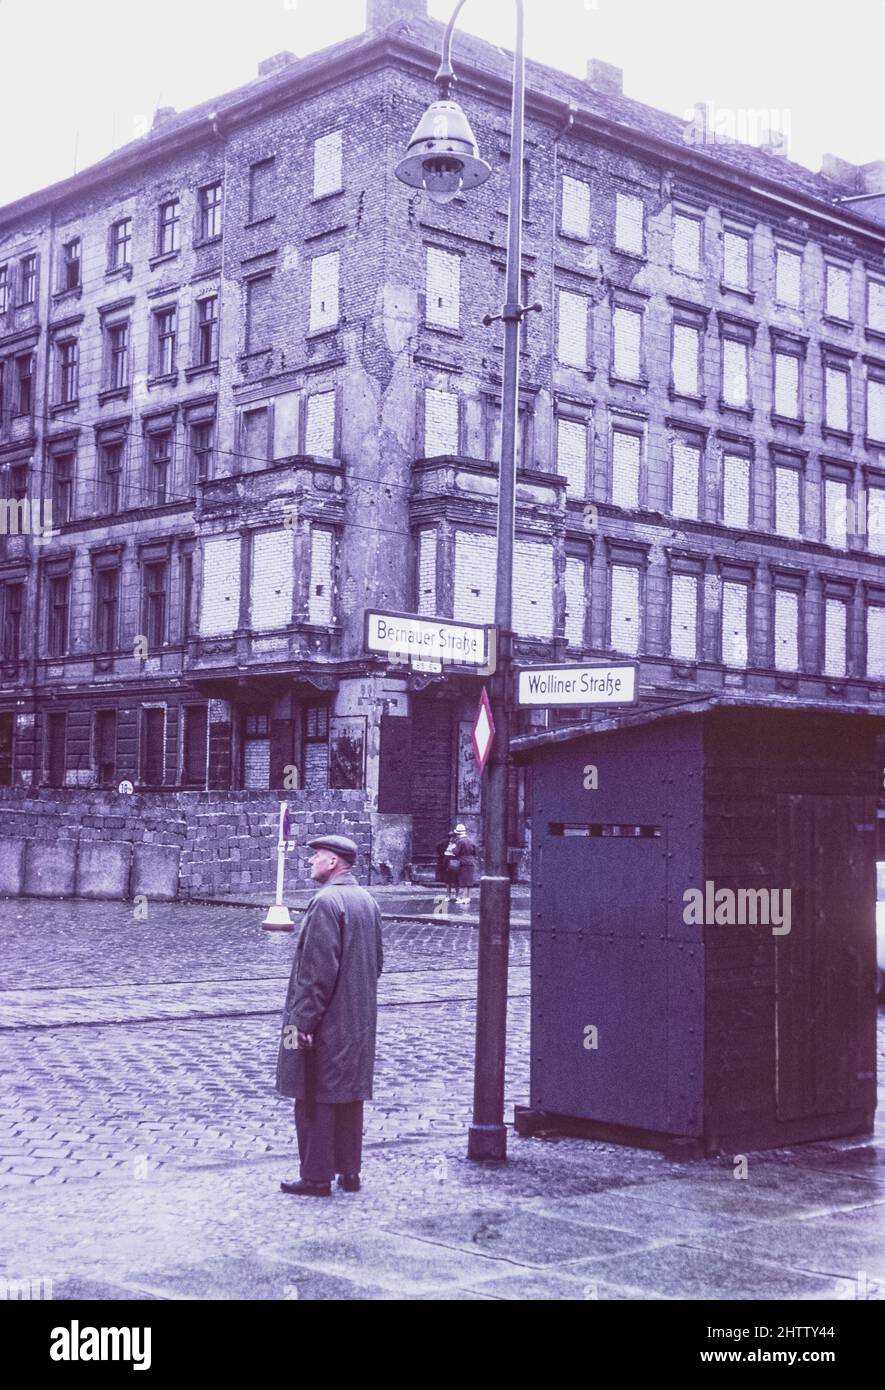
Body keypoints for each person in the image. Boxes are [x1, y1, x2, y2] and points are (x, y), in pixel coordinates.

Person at [276, 834, 383, 1197]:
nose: (311, 862)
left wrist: (302, 1024)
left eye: (316, 857)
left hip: (323, 1021)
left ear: (334, 862)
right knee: (349, 1094)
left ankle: (316, 1176)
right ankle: (349, 1172)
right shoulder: (367, 900)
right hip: (359, 1021)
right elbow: (378, 963)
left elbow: (316, 973)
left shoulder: (325, 902)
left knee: (311, 1092)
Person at [451, 823, 477, 907]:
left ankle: (463, 898)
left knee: (463, 881)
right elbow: (474, 851)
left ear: (458, 833)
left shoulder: (460, 841)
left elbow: (456, 852)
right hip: (471, 862)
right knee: (468, 881)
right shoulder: (470, 840)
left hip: (463, 862)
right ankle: (468, 897)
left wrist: (453, 848)